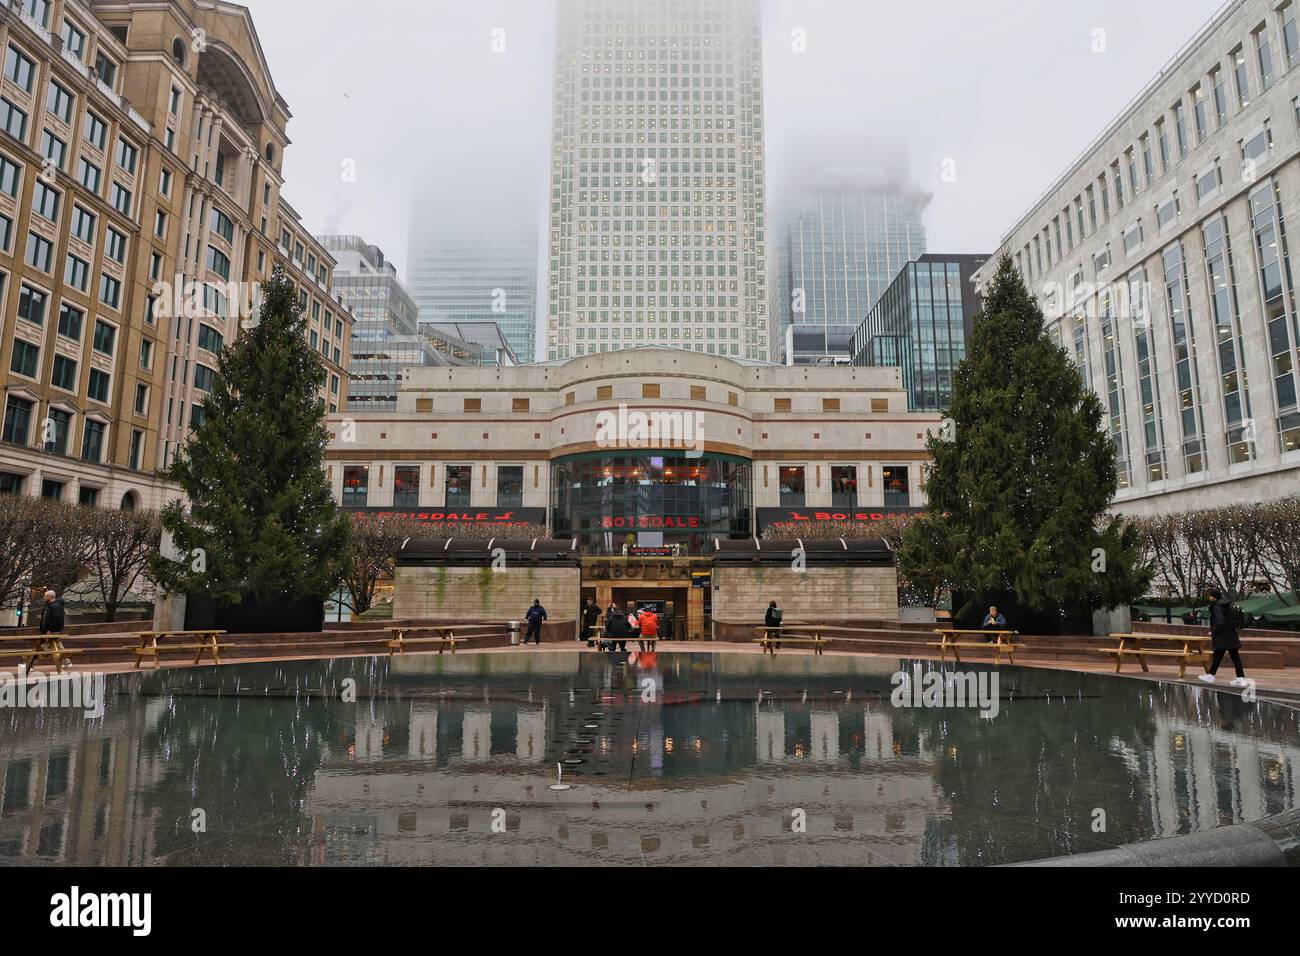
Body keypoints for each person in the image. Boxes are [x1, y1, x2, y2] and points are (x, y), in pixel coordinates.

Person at [1200, 588, 1247, 687]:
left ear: (1213, 597)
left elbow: (1219, 621)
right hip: (1231, 633)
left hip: (1223, 635)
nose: (1209, 597)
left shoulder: (1217, 606)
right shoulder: (1227, 604)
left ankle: (1211, 676)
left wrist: (1214, 631)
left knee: (1219, 655)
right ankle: (1240, 678)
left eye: (1210, 595)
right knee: (1232, 656)